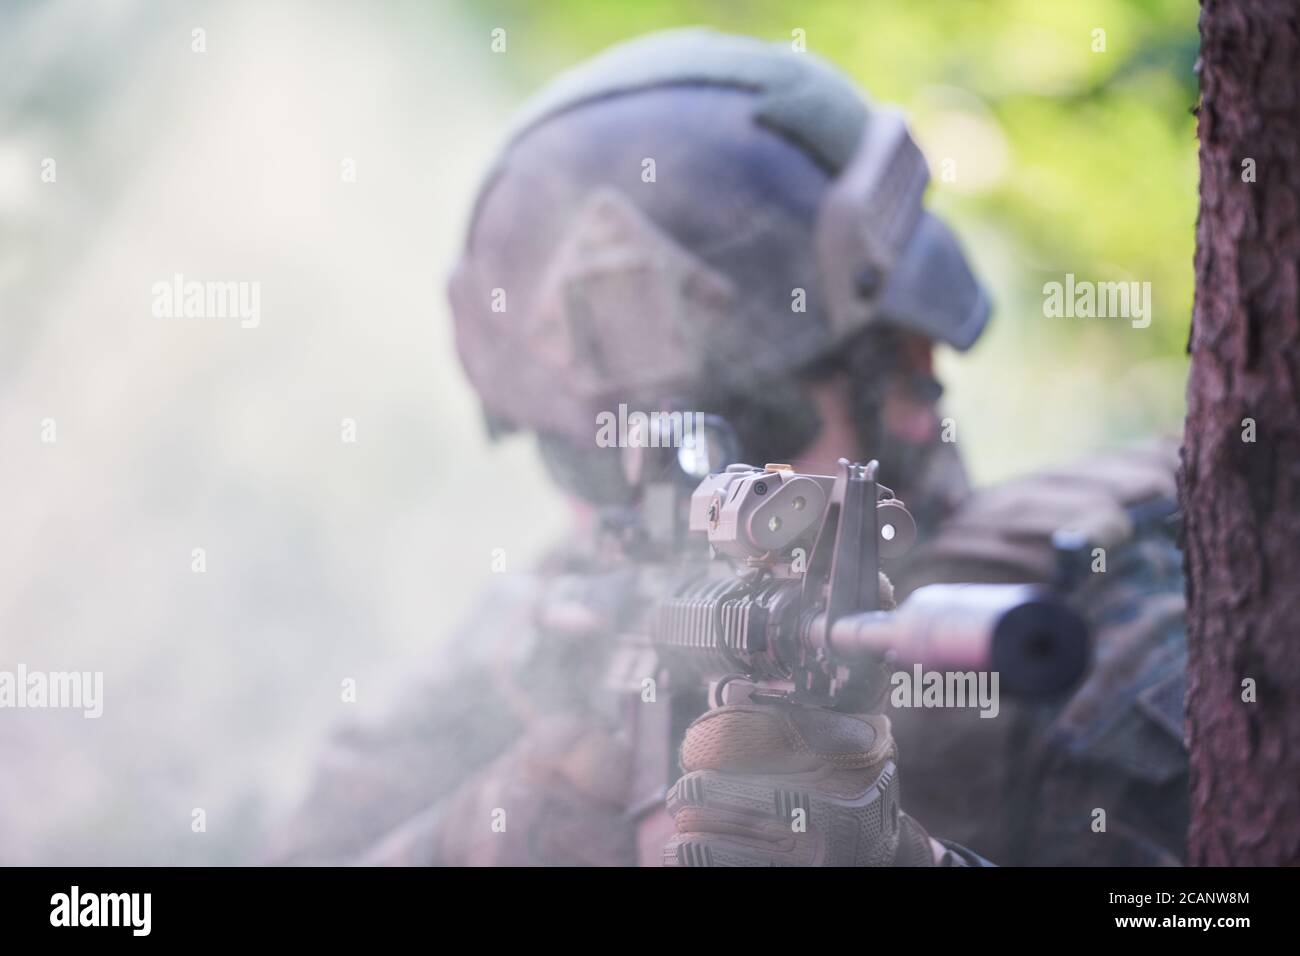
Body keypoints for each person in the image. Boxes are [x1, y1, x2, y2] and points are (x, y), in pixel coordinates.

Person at [268, 29, 1187, 867]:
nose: (923, 408)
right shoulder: (544, 641)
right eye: (895, 367)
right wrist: (487, 837)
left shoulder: (1104, 626)